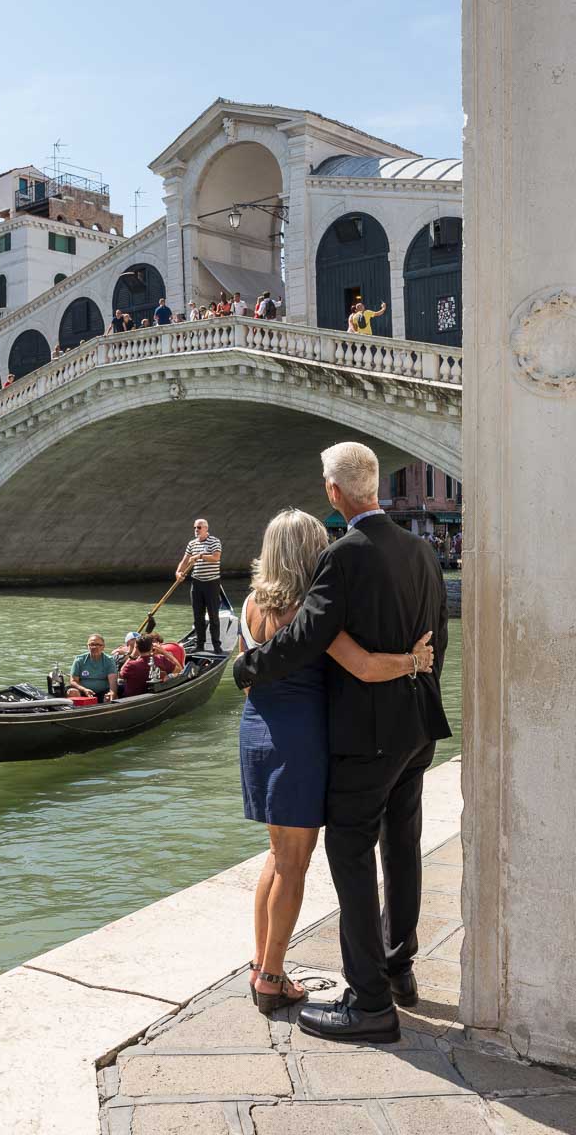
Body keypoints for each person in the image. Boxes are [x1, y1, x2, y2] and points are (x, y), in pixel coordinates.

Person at [234, 442, 450, 1043]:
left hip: (367, 738)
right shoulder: (424, 550)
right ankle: (399, 966)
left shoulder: (345, 556)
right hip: (417, 727)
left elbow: (309, 638)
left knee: (349, 855)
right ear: (376, 484)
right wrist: (417, 672)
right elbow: (440, 637)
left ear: (334, 493)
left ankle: (370, 1001)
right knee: (401, 846)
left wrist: (247, 670)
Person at [175, 518, 223, 654]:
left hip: (212, 583)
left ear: (206, 528)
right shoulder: (192, 544)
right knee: (198, 616)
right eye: (195, 527)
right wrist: (178, 572)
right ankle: (200, 644)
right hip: (197, 583)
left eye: (199, 527)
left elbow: (216, 557)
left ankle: (216, 645)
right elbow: (185, 561)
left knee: (213, 616)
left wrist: (200, 556)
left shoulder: (214, 541)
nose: (196, 530)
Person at [69, 634, 118, 702]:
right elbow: (73, 681)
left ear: (103, 647)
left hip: (103, 692)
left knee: (109, 697)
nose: (95, 647)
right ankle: (77, 710)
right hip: (83, 692)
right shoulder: (79, 660)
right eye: (92, 644)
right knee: (72, 691)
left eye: (98, 644)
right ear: (88, 646)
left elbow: (113, 682)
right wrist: (84, 690)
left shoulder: (109, 661)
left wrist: (112, 695)